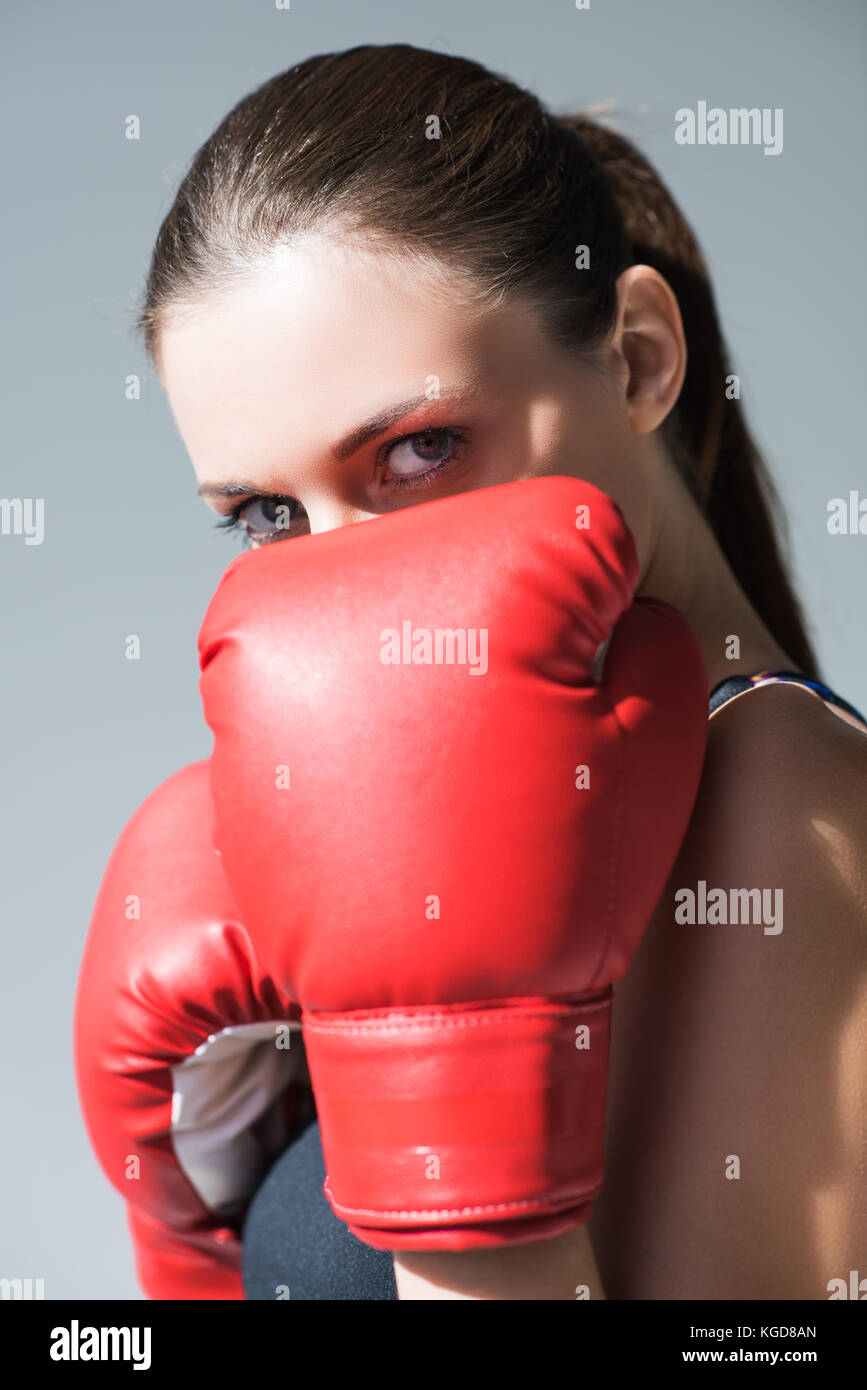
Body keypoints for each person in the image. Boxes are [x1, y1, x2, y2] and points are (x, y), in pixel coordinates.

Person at [103, 43, 867, 1300]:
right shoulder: (442, 807)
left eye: (417, 451)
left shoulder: (794, 830)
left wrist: (475, 1211)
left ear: (636, 360)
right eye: (267, 515)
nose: (343, 582)